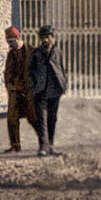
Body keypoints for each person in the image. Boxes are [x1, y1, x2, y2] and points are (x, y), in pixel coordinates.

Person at [28, 25, 68, 156]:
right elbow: (30, 71)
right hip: (40, 91)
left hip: (54, 90)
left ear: (53, 38)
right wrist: (33, 85)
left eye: (48, 37)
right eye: (43, 37)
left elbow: (62, 69)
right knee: (41, 120)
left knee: (52, 119)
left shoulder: (58, 52)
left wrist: (63, 84)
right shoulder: (36, 52)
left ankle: (50, 145)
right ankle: (43, 147)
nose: (46, 40)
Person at [2, 27, 39, 153]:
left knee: (33, 117)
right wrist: (10, 87)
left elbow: (37, 72)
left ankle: (44, 140)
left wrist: (34, 88)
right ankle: (15, 145)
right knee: (11, 118)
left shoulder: (32, 51)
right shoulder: (11, 54)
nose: (10, 45)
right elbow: (7, 73)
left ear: (18, 38)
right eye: (8, 42)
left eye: (11, 41)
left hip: (29, 91)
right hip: (15, 91)